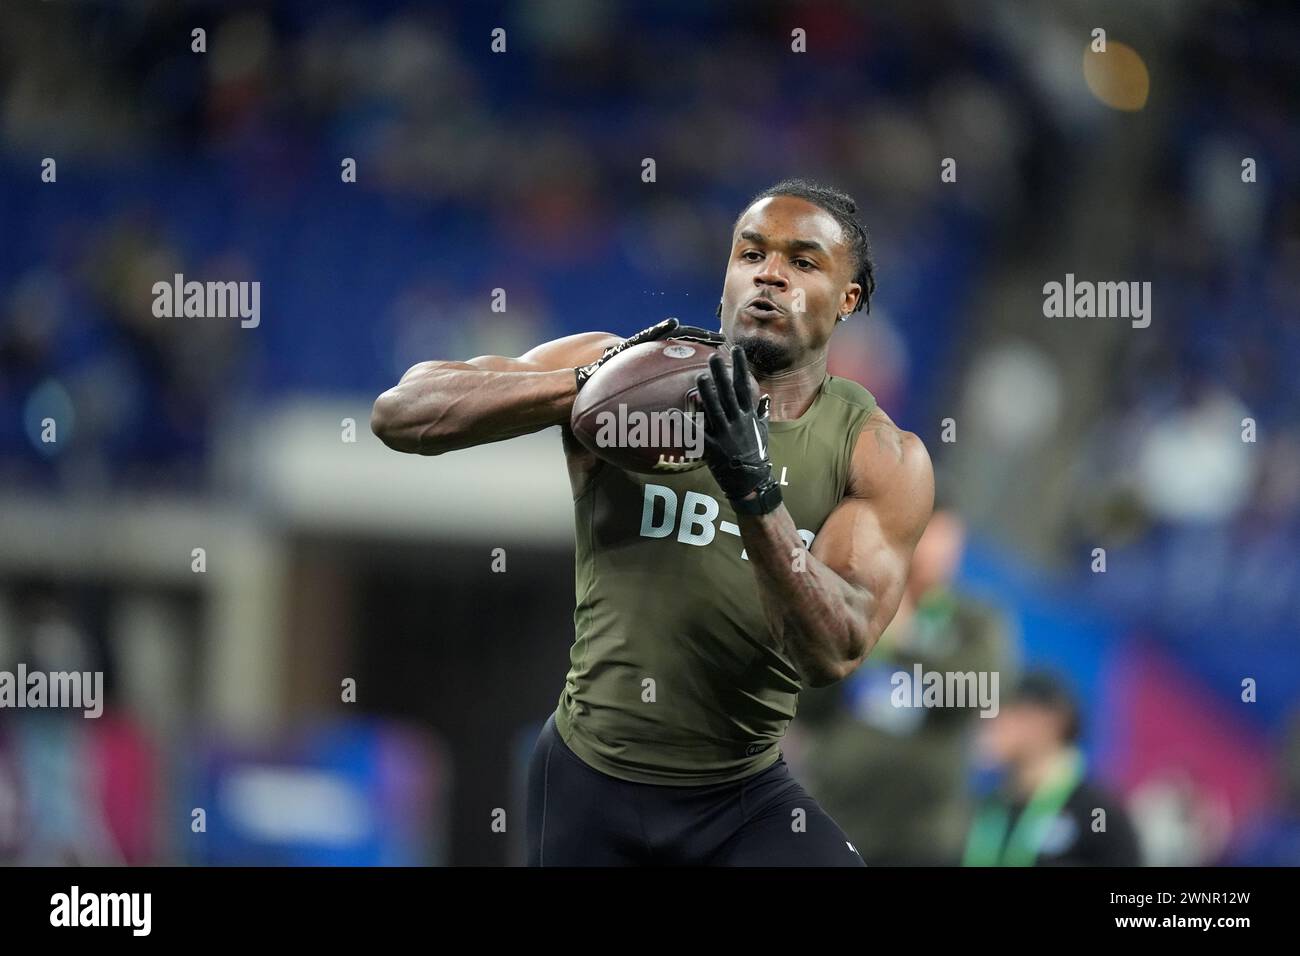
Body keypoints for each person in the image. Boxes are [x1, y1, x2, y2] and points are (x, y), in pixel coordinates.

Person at [371, 178, 933, 865]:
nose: (770, 274)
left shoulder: (877, 454)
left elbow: (833, 650)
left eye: (803, 261)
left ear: (848, 298)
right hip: (589, 778)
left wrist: (752, 491)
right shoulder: (624, 370)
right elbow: (401, 412)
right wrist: (587, 388)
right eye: (750, 253)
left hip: (739, 795)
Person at [792, 507, 1015, 865]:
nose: (940, 552)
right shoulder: (858, 604)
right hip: (836, 814)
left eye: (950, 540)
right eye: (931, 536)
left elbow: (980, 692)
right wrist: (862, 640)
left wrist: (903, 644)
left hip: (922, 833)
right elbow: (808, 699)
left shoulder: (973, 620)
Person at [963, 671, 1142, 866]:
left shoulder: (1098, 813)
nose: (988, 722)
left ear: (1051, 721)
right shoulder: (985, 807)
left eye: (1002, 709)